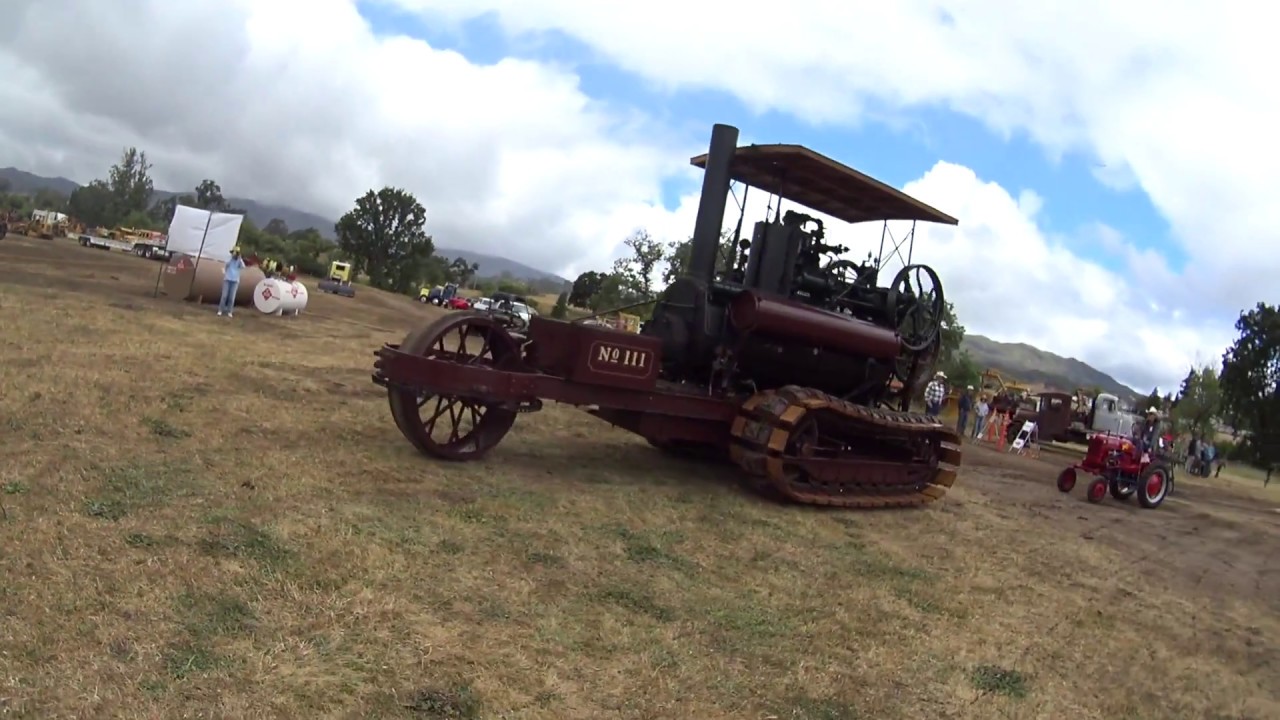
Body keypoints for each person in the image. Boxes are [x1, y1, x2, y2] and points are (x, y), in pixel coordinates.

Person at [217, 246, 248, 318]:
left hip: (235, 281)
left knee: (232, 297)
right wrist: (232, 258)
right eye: (234, 253)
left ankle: (229, 311)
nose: (235, 255)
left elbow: (243, 267)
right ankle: (220, 310)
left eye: (236, 253)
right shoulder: (229, 259)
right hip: (227, 279)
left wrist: (240, 259)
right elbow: (226, 264)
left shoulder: (239, 261)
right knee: (224, 296)